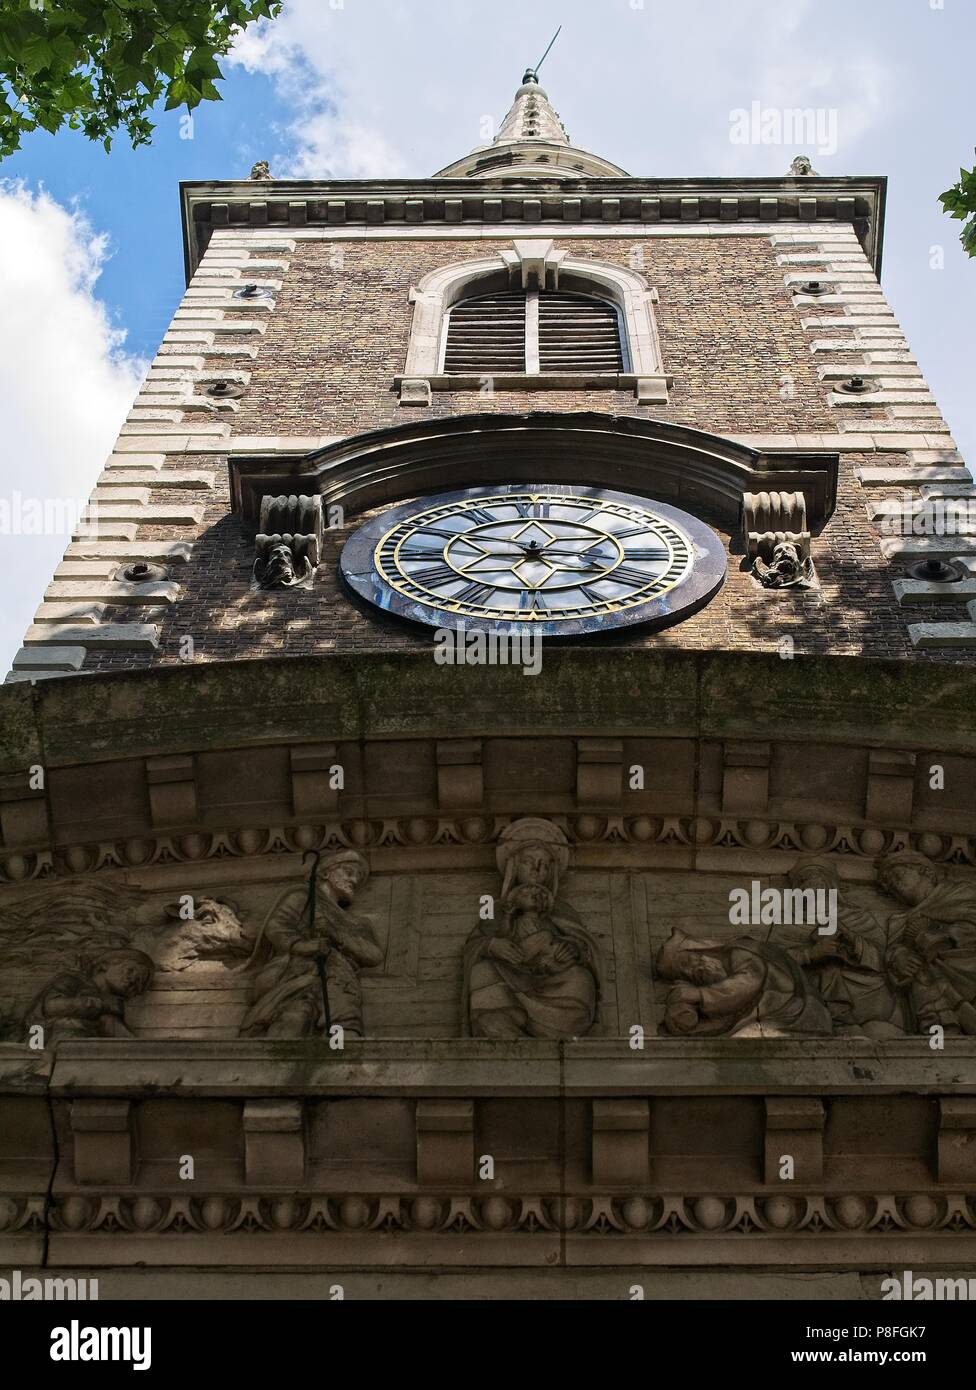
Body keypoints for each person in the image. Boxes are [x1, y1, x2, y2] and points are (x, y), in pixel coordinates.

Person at [464, 819, 599, 1039]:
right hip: (511, 973)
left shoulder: (562, 910)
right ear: (514, 866)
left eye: (544, 865)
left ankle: (551, 1024)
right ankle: (508, 1020)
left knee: (581, 978)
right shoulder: (497, 910)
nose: (537, 869)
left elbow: (583, 943)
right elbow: (474, 944)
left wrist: (574, 948)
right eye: (529, 861)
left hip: (552, 976)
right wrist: (491, 945)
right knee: (482, 972)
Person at [240, 849, 382, 1039]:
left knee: (345, 1024)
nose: (354, 881)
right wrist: (301, 945)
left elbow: (373, 955)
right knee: (293, 1019)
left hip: (341, 982)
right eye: (348, 872)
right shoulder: (303, 896)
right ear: (325, 873)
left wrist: (336, 935)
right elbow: (277, 925)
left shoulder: (358, 923)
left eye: (357, 876)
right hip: (298, 974)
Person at [655, 927, 832, 1038]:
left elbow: (748, 982)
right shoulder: (717, 982)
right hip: (775, 1017)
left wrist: (700, 994)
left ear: (701, 949)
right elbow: (694, 1019)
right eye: (685, 973)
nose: (692, 971)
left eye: (688, 962)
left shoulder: (740, 951)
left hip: (795, 1014)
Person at [878, 852, 976, 1035]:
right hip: (933, 976)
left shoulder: (962, 893)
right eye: (890, 887)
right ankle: (943, 1028)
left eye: (899, 876)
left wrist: (945, 936)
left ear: (926, 872)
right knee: (922, 972)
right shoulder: (900, 921)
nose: (896, 886)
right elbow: (894, 950)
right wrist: (899, 957)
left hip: (967, 962)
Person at [24, 947, 154, 1043]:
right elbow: (50, 1006)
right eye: (130, 971)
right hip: (39, 1039)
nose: (132, 980)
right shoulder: (72, 980)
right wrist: (97, 1004)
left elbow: (113, 1029)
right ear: (105, 966)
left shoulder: (111, 1007)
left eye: (138, 982)